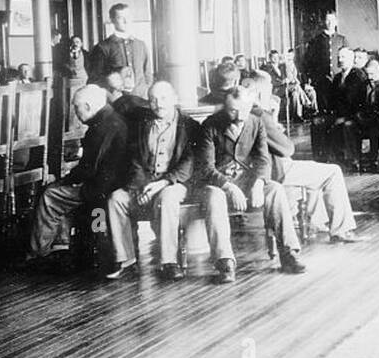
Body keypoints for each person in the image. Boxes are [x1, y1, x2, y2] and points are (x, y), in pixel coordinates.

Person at [105, 80, 235, 282]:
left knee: (167, 197)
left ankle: (169, 262)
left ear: (174, 99)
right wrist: (141, 186)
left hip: (177, 183)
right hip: (146, 182)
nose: (159, 104)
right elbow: (135, 159)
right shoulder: (140, 125)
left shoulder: (190, 126)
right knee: (116, 199)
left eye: (164, 98)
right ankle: (126, 260)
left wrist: (164, 182)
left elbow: (189, 163)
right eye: (153, 100)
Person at [197, 84, 306, 274]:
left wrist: (259, 182)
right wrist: (228, 187)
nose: (240, 116)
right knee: (214, 197)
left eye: (244, 110)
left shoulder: (256, 122)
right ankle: (225, 261)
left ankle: (289, 254)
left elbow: (263, 159)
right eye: (233, 110)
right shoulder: (210, 125)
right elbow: (206, 168)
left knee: (275, 189)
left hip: (248, 181)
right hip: (219, 183)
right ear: (225, 107)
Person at [245, 74, 362, 243]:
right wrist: (274, 117)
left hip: (263, 170)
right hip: (277, 169)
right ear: (261, 92)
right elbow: (287, 148)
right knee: (333, 172)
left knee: (314, 172)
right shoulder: (260, 114)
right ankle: (341, 230)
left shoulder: (248, 112)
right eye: (269, 86)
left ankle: (317, 222)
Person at [27, 84, 129, 265]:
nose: (76, 112)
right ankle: (61, 245)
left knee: (50, 195)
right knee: (61, 192)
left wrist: (63, 181)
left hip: (97, 188)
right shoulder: (113, 119)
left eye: (76, 107)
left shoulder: (99, 128)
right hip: (111, 185)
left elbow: (87, 169)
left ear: (88, 106)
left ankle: (39, 253)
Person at [87, 3, 153, 97]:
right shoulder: (103, 47)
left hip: (142, 100)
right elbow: (95, 79)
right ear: (112, 20)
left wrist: (145, 91)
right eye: (120, 18)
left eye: (128, 17)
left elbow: (148, 75)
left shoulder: (141, 45)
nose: (126, 21)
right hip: (117, 102)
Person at [348, 58, 379, 171]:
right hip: (366, 116)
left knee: (374, 129)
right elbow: (358, 102)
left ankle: (375, 160)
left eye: (372, 74)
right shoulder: (365, 84)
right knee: (350, 125)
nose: (369, 77)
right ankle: (355, 161)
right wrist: (358, 114)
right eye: (367, 74)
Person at [304, 10, 349, 108]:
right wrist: (313, 78)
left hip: (339, 79)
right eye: (327, 20)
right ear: (324, 22)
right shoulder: (316, 40)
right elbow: (308, 62)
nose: (330, 23)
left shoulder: (342, 40)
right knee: (324, 108)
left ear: (336, 22)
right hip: (321, 81)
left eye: (332, 20)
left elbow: (348, 60)